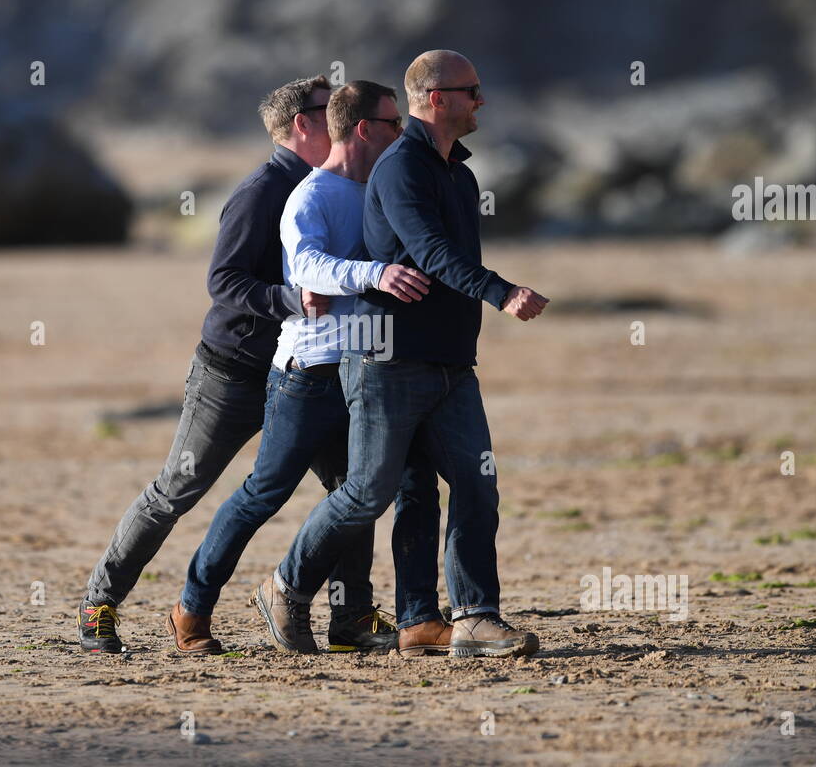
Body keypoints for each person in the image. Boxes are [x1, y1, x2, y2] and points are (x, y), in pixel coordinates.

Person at [257, 50, 550, 659]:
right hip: (385, 355)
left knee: (473, 483)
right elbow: (430, 250)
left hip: (449, 359)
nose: (482, 100)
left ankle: (458, 618)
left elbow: (442, 255)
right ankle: (287, 584)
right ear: (436, 98)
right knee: (370, 489)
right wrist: (502, 292)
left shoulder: (457, 173)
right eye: (472, 90)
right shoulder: (400, 168)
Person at [78, 74, 356, 654]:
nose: (342, 120)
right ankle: (99, 605)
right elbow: (222, 281)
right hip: (234, 371)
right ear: (301, 124)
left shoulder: (332, 185)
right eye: (330, 110)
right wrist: (289, 300)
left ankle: (350, 616)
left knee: (351, 489)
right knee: (179, 487)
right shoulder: (261, 191)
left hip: (308, 369)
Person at [176, 80, 437, 655]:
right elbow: (309, 267)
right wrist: (373, 276)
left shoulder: (376, 189)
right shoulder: (310, 195)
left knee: (355, 494)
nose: (404, 133)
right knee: (264, 493)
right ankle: (192, 609)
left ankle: (350, 620)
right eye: (395, 124)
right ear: (366, 130)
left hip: (361, 370)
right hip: (305, 372)